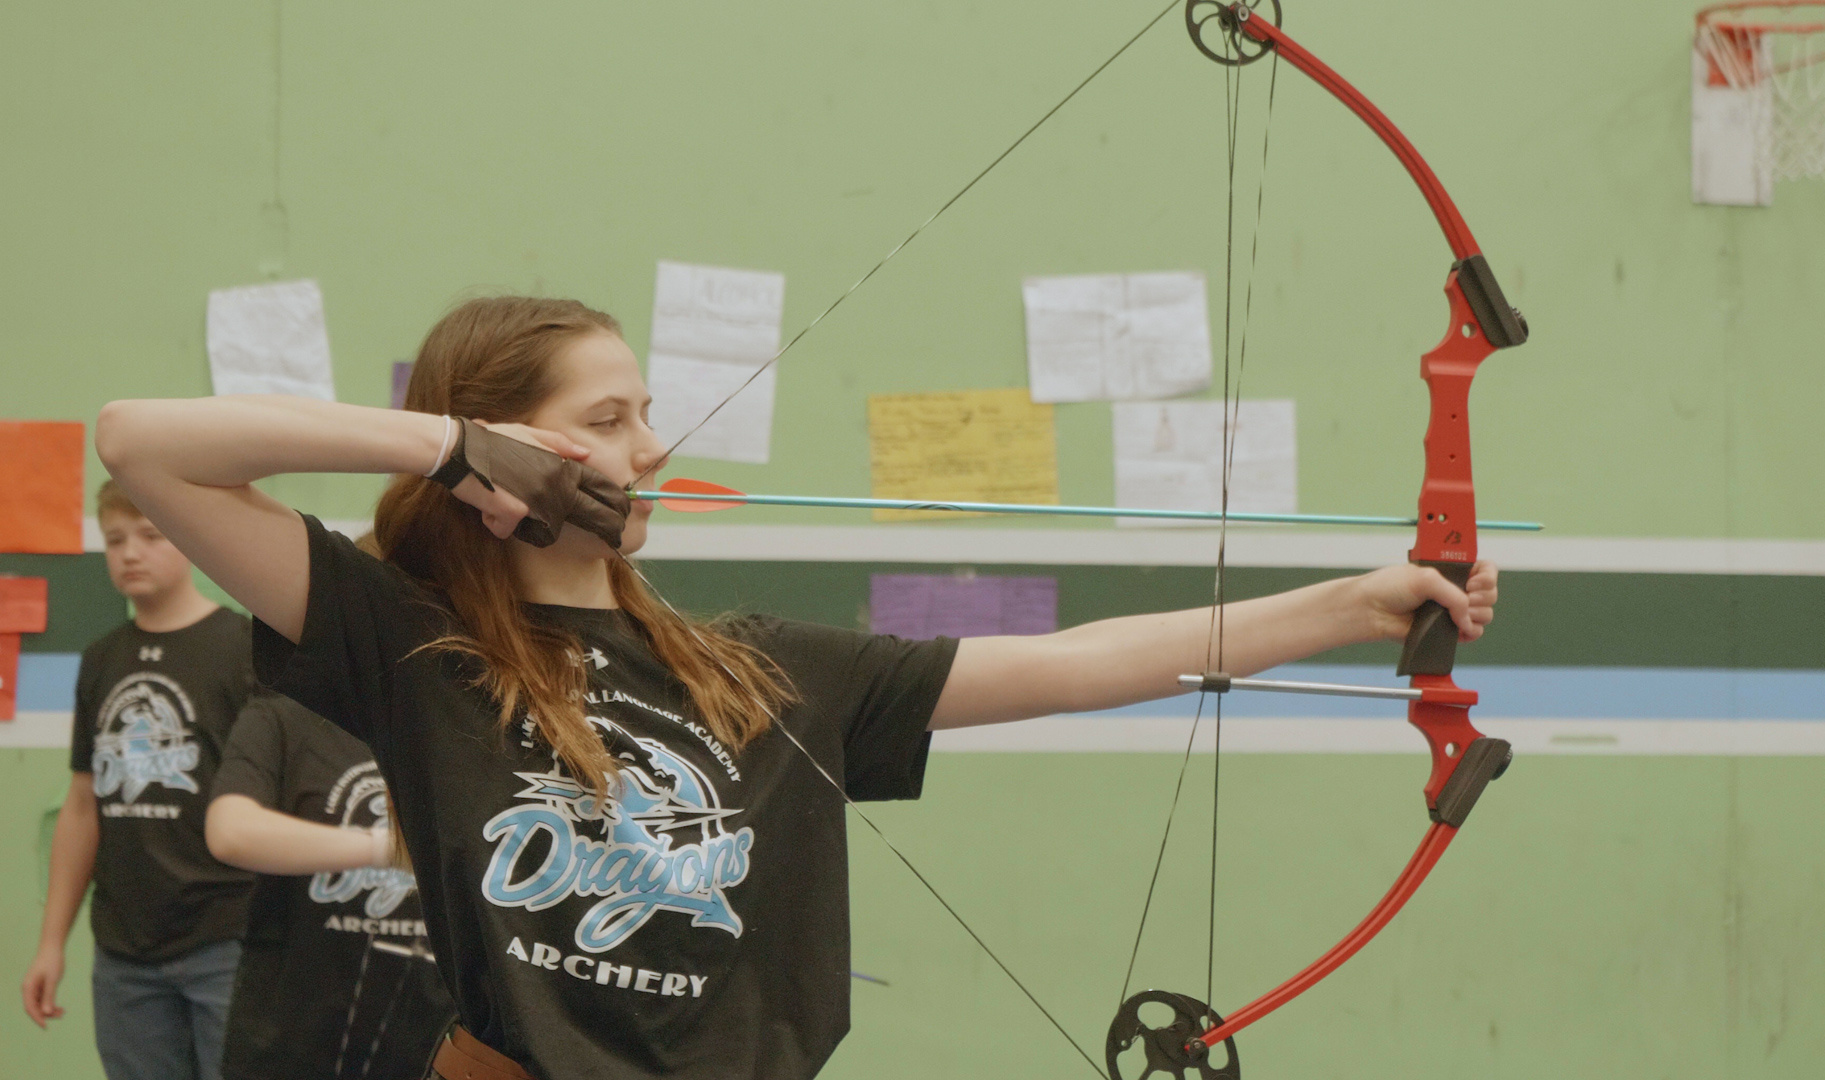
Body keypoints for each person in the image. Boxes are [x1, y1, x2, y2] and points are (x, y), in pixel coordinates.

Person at [94, 296, 1498, 1080]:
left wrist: (1353, 604)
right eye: (607, 421)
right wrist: (443, 444)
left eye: (647, 412)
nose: (650, 446)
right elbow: (141, 442)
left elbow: (1072, 665)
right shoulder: (407, 640)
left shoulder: (760, 667)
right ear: (519, 453)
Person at [21, 480, 257, 1080]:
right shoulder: (101, 659)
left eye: (151, 535)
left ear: (188, 538)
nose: (130, 553)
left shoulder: (241, 647)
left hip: (227, 939)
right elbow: (82, 805)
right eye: (115, 539)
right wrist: (51, 943)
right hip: (124, 952)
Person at [205, 690, 456, 1080]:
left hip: (430, 1042)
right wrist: (386, 848)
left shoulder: (460, 724)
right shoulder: (282, 717)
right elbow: (230, 832)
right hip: (291, 1038)